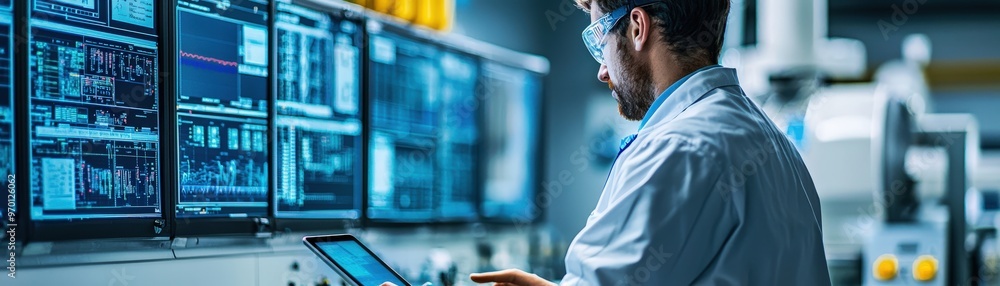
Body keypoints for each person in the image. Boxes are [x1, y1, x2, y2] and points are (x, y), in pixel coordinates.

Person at [391, 0, 833, 285]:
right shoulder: (773, 144)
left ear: (638, 28)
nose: (602, 71)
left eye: (599, 38)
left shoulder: (678, 148)